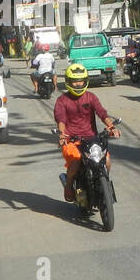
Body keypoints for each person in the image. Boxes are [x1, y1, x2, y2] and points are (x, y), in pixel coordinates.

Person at [53, 63, 119, 203]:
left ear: (85, 80)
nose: (78, 84)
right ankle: (69, 186)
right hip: (71, 141)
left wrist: (111, 127)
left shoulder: (91, 97)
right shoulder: (62, 100)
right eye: (75, 81)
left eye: (81, 80)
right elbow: (61, 119)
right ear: (69, 82)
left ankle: (104, 183)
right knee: (76, 162)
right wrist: (62, 134)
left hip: (91, 140)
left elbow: (101, 112)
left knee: (106, 160)